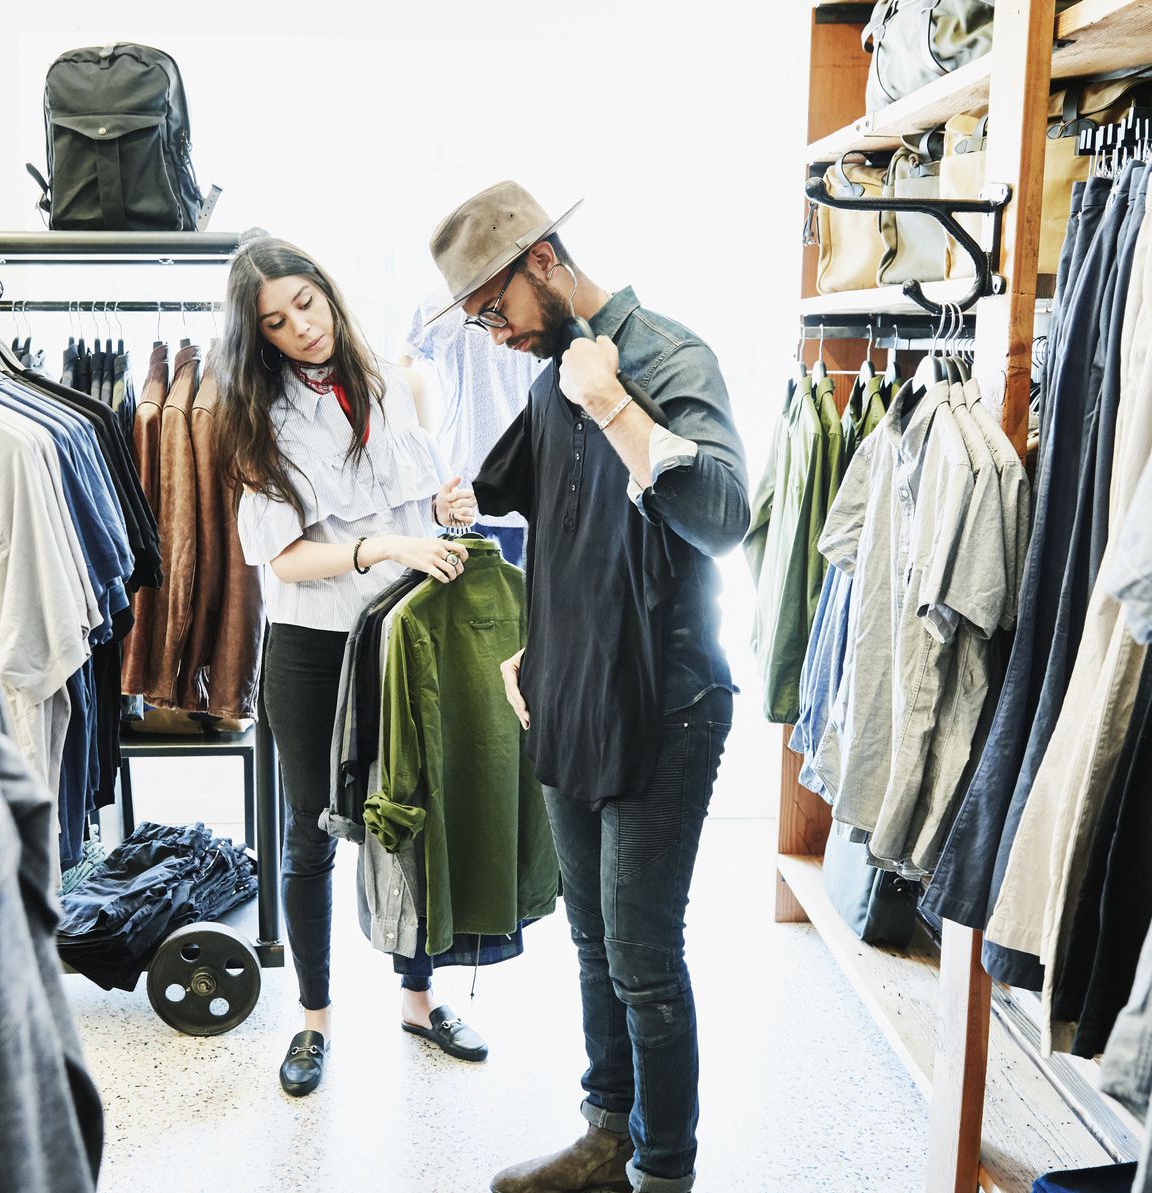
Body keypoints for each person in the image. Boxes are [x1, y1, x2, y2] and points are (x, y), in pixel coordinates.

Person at [427, 182, 749, 1193]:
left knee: (646, 959)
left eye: (495, 309)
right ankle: (607, 1135)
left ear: (543, 263)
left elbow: (725, 514)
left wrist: (613, 405)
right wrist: (537, 637)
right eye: (476, 319)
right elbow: (540, 521)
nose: (494, 333)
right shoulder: (545, 376)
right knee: (594, 940)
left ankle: (667, 1171)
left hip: (666, 702)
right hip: (571, 694)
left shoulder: (665, 359)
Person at [221, 237, 485, 1098]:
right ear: (256, 337)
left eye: (306, 302)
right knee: (310, 833)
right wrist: (386, 544)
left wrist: (447, 509)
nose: (301, 327)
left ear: (327, 292)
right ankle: (312, 1021)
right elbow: (285, 561)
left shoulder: (401, 384)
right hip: (310, 644)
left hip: (403, 635)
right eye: (276, 321)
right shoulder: (255, 419)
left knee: (413, 812)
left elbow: (428, 499)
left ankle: (418, 998)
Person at [398, 288, 543, 565]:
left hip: (518, 480)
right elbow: (401, 370)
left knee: (522, 598)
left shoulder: (523, 295)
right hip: (456, 483)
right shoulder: (434, 305)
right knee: (458, 596)